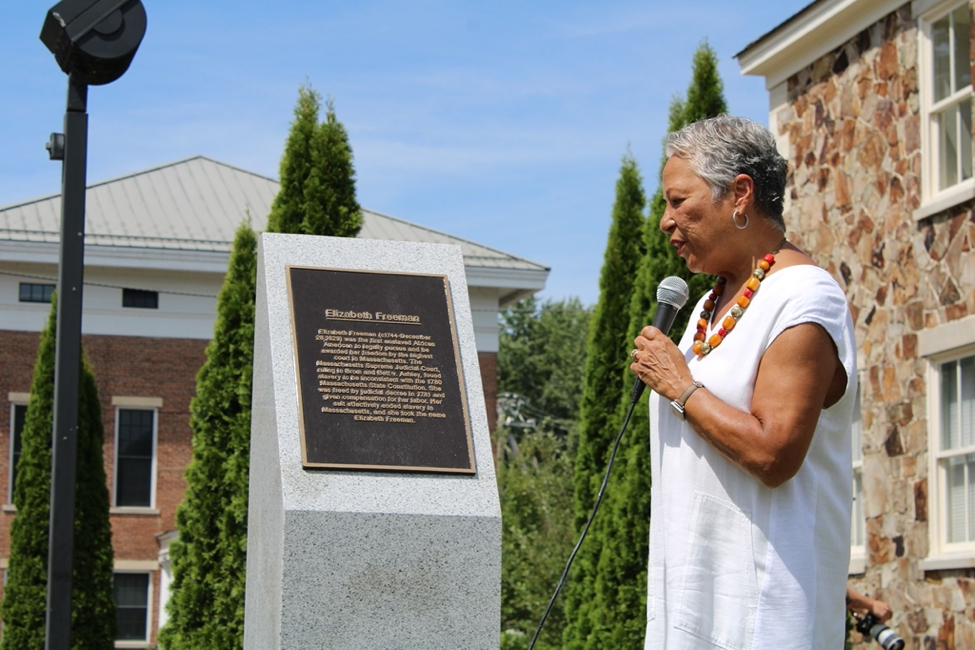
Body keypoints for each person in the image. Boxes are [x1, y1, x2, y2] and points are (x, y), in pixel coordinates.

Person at [628, 114, 857, 649]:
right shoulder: (708, 305)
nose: (665, 221)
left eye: (678, 201)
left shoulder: (804, 298)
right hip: (691, 610)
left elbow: (774, 455)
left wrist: (682, 388)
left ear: (740, 194)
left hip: (764, 616)